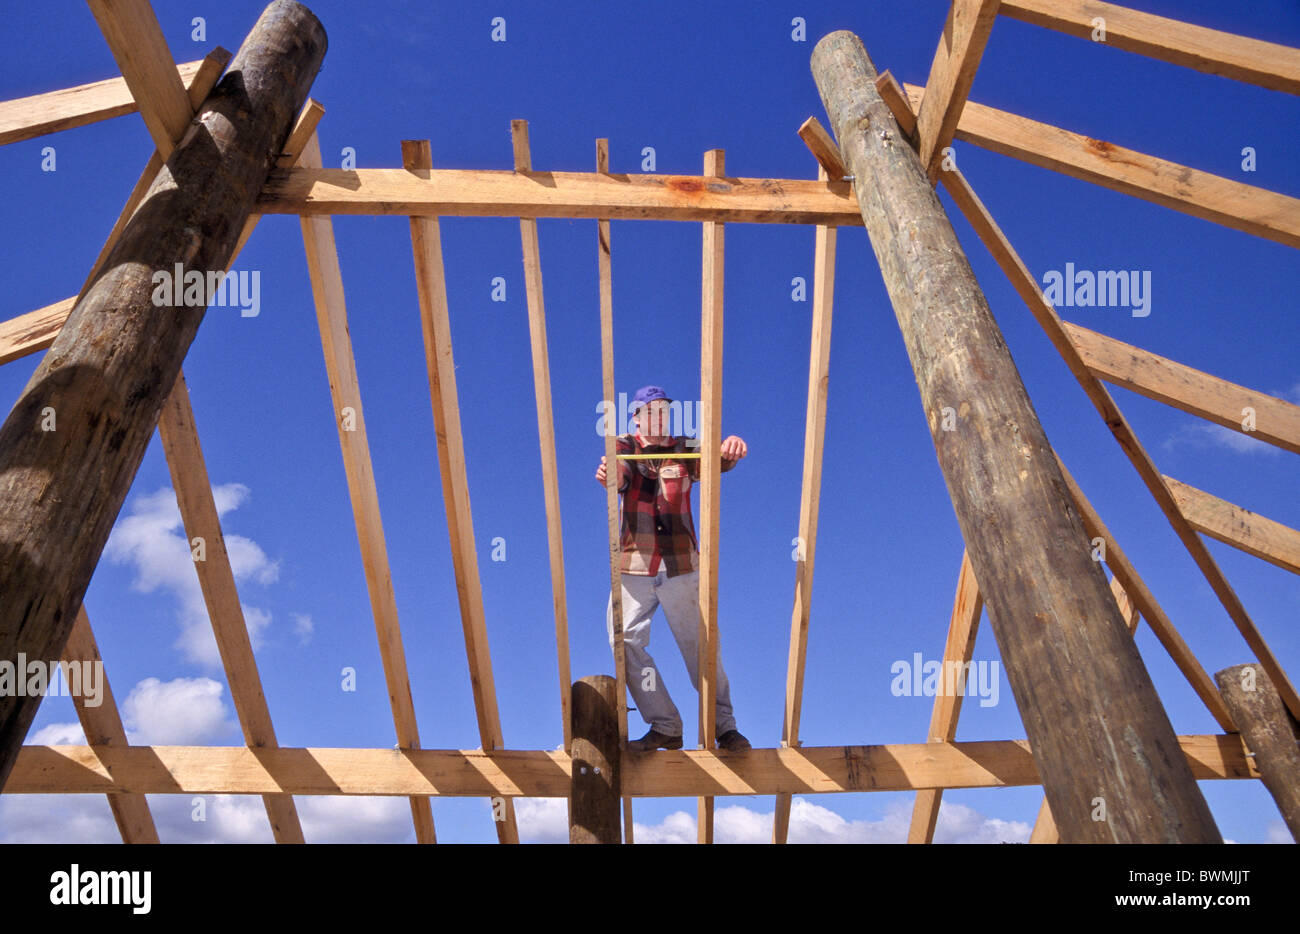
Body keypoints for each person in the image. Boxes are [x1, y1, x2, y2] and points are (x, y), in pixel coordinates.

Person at [594, 385, 752, 752]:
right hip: (636, 564)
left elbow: (714, 461)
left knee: (701, 647)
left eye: (664, 410)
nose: (658, 417)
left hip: (680, 564)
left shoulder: (684, 446)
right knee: (624, 640)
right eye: (649, 411)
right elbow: (618, 472)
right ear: (636, 418)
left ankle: (724, 727)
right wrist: (610, 476)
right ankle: (665, 725)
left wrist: (730, 448)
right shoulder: (624, 446)